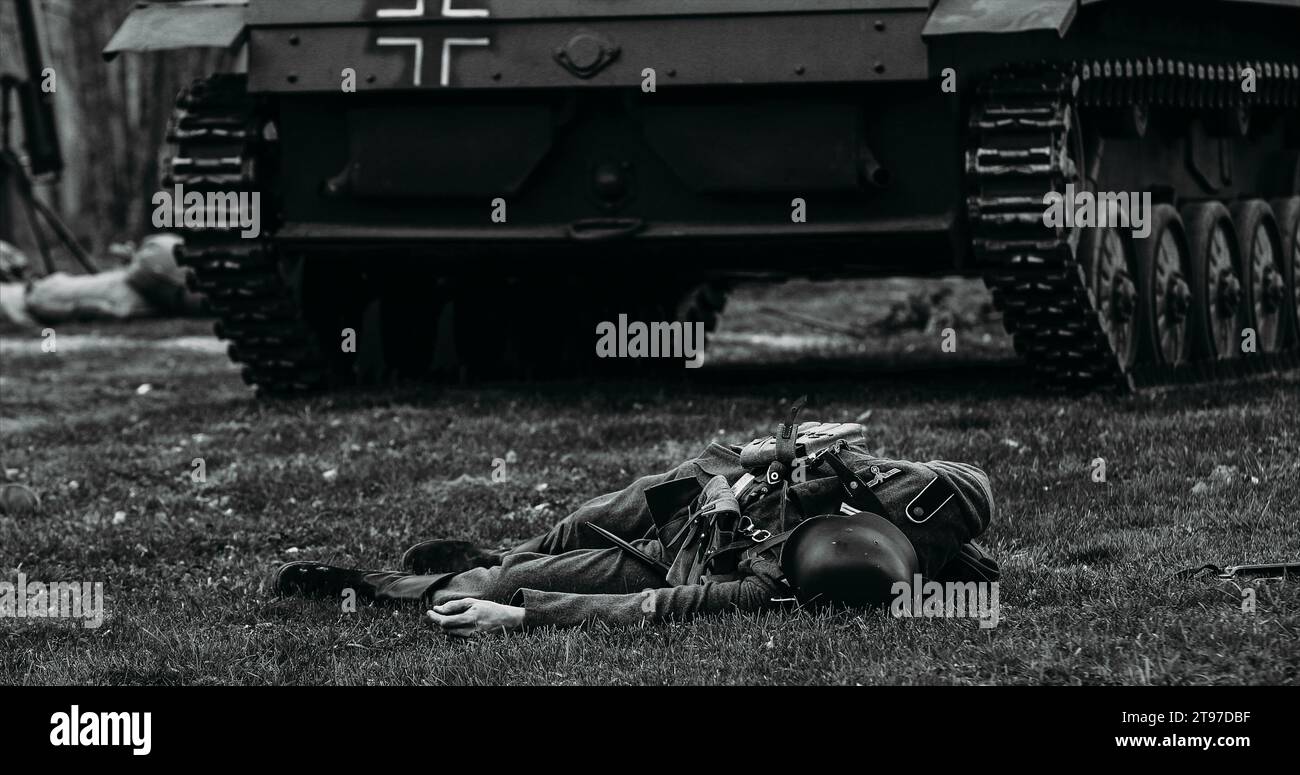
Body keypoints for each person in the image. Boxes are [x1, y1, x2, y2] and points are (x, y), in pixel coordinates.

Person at [275, 427, 996, 637]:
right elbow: (967, 485)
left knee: (499, 584)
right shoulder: (883, 493)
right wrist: (778, 458)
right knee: (570, 528)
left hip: (668, 569)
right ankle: (503, 552)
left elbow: (656, 609)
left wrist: (519, 614)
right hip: (684, 501)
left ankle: (373, 584)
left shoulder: (801, 582)